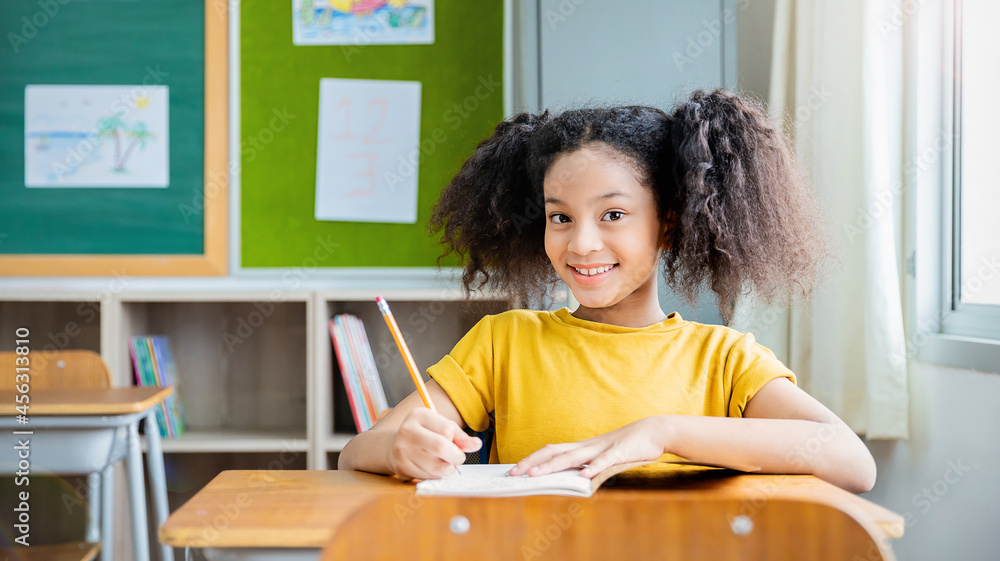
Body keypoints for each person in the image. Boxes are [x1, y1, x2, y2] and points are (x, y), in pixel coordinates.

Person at [338, 89, 877, 494]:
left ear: (667, 223)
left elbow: (852, 461)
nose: (582, 243)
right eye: (560, 217)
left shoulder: (724, 358)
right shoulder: (505, 342)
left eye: (614, 214)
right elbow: (355, 454)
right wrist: (400, 448)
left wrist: (663, 433)